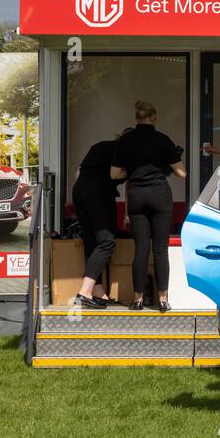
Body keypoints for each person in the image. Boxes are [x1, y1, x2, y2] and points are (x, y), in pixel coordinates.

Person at [111, 101, 187, 311]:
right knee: (160, 250)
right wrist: (163, 167)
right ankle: (162, 300)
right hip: (159, 195)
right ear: (153, 116)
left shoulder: (125, 140)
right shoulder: (162, 139)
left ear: (136, 117)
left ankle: (138, 299)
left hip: (136, 196)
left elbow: (115, 174)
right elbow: (182, 173)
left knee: (141, 249)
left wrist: (135, 170)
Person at [70, 132, 128, 309]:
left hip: (79, 190)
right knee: (107, 242)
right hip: (99, 192)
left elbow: (78, 172)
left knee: (91, 240)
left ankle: (97, 290)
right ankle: (84, 293)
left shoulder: (100, 144)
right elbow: (115, 174)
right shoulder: (124, 152)